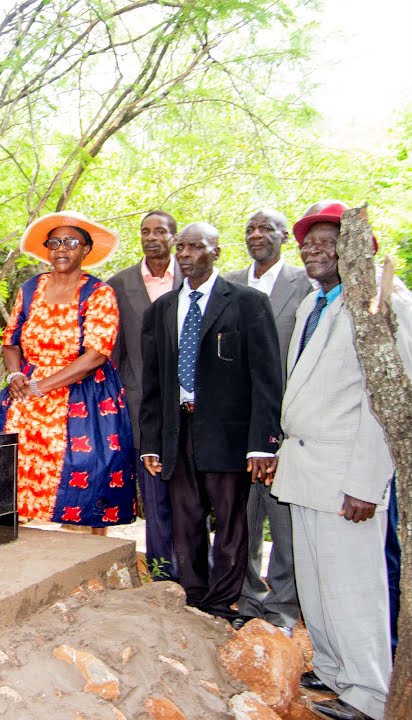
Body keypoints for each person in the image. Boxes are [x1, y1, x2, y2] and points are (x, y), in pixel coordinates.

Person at [269, 201, 411, 720]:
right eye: (308, 242)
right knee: (316, 581)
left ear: (358, 249)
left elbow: (391, 400)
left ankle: (370, 692)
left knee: (354, 586)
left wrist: (368, 483)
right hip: (305, 466)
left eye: (328, 241)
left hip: (347, 473)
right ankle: (331, 670)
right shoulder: (315, 304)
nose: (314, 249)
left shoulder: (383, 302)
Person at [138, 221, 283, 623]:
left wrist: (263, 443)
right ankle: (194, 597)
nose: (185, 254)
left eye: (195, 247)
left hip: (228, 433)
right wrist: (150, 442)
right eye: (180, 247)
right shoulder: (161, 310)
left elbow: (268, 378)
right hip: (177, 431)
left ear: (216, 252)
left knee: (231, 522)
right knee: (184, 518)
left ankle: (221, 604)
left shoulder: (246, 302)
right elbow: (154, 384)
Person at [0, 211, 135, 536]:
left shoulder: (99, 294)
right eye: (55, 242)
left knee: (88, 468)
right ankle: (15, 546)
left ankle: (85, 558)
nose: (62, 249)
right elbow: (10, 341)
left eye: (71, 242)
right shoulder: (30, 289)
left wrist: (43, 387)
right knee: (3, 453)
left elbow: (95, 355)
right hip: (27, 386)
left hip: (84, 394)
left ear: (85, 250)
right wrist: (15, 377)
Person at [222, 208, 314, 636]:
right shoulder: (230, 283)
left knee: (281, 518)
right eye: (250, 229)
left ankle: (281, 608)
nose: (256, 234)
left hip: (285, 419)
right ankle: (246, 597)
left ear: (283, 237)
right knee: (241, 515)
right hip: (235, 420)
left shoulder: (305, 285)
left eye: (266, 229)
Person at [106, 210, 183, 580]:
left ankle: (195, 571)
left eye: (160, 231)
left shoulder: (193, 278)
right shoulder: (119, 284)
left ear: (174, 236)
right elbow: (114, 352)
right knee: (152, 491)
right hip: (140, 405)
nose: (151, 237)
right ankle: (162, 569)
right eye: (145, 231)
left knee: (189, 493)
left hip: (192, 405)